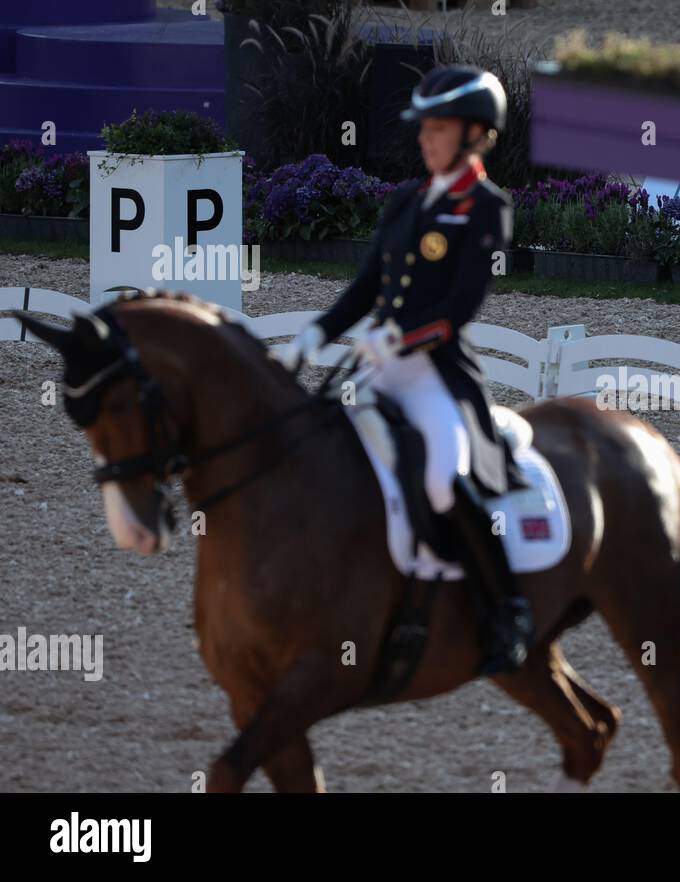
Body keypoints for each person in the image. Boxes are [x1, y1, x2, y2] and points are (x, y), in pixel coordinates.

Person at [278, 65, 533, 675]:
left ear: (475, 135)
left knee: (445, 479)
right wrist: (317, 333)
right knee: (317, 445)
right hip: (377, 363)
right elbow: (366, 286)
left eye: (438, 129)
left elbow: (461, 306)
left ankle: (509, 610)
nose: (425, 139)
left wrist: (401, 337)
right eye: (424, 128)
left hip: (433, 371)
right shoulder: (404, 202)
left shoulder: (486, 208)